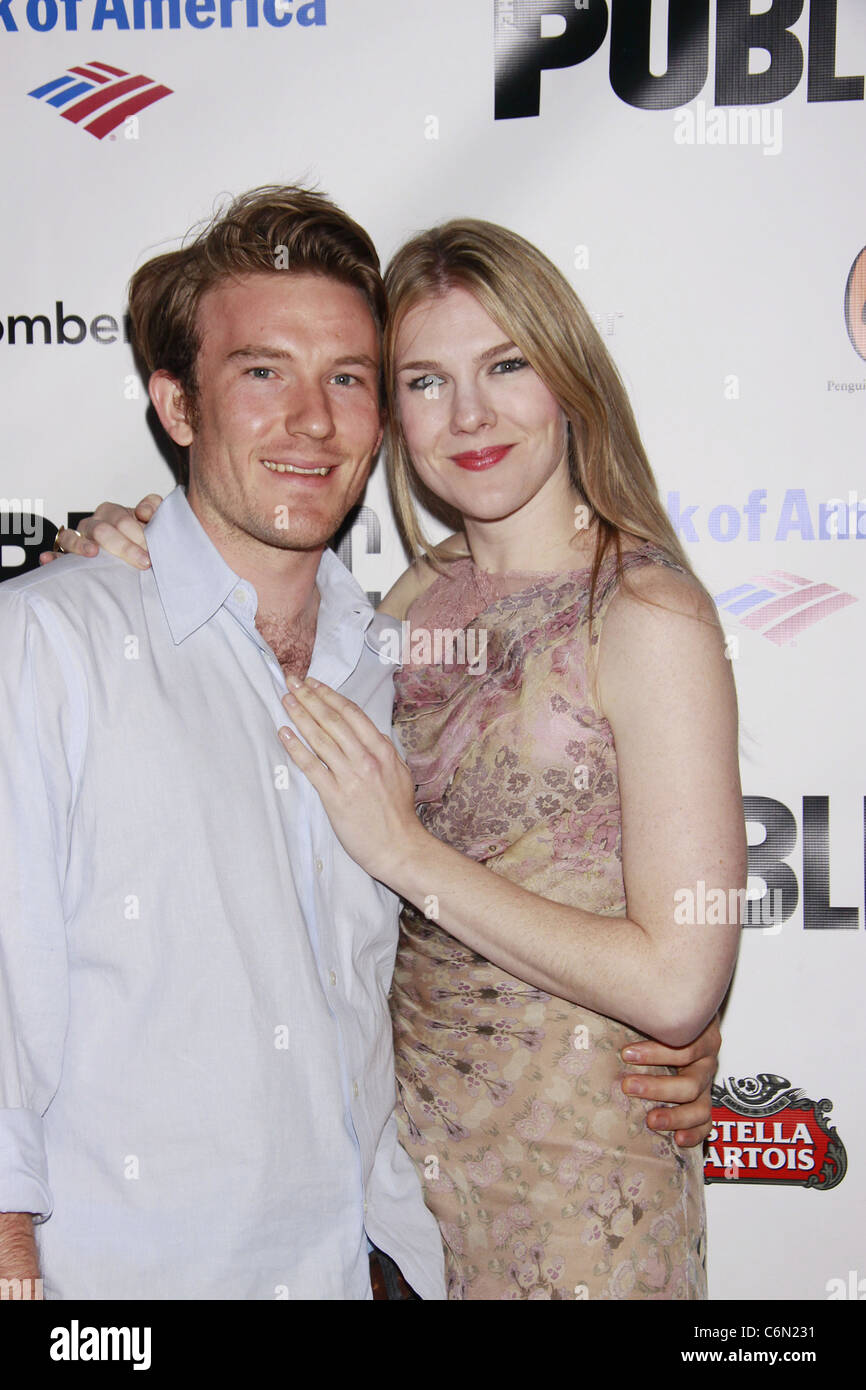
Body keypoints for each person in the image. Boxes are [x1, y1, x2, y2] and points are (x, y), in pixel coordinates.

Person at [46, 206, 733, 1300]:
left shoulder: (646, 614)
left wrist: (407, 852)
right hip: (403, 1194)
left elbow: (675, 977)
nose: (469, 413)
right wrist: (119, 543)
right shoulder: (396, 613)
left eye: (506, 364)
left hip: (574, 1178)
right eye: (421, 379)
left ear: (567, 375)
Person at [0, 186, 450, 1300]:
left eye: (346, 378)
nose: (312, 420)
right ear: (177, 405)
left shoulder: (386, 660)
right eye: (262, 373)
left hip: (370, 1260)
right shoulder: (55, 638)